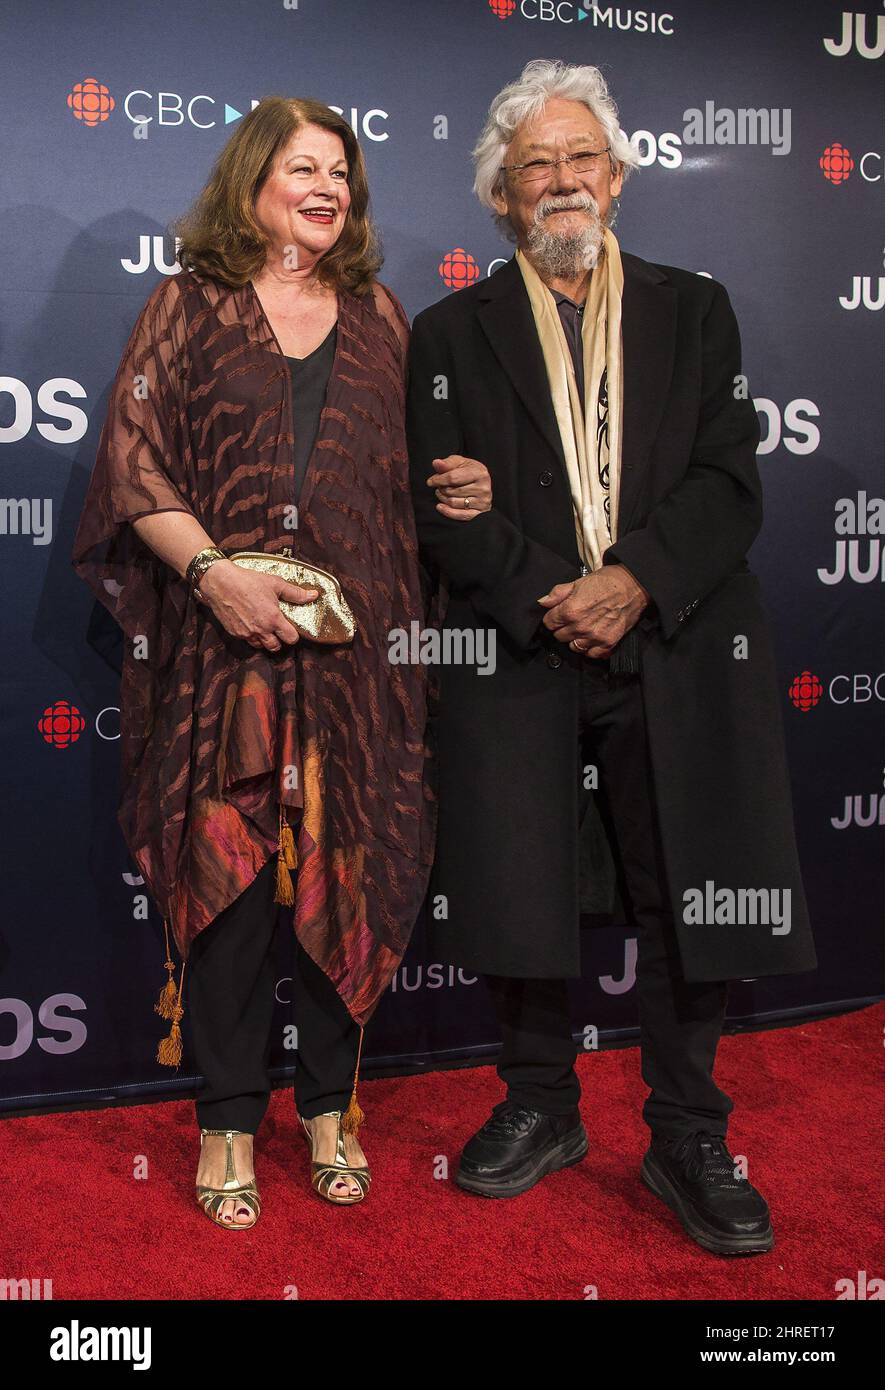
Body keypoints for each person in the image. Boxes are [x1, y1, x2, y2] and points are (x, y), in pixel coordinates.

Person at [405, 59, 816, 1255]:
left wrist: (633, 579)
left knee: (692, 884)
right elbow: (446, 511)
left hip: (679, 641)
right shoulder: (447, 334)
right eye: (536, 162)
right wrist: (556, 594)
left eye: (583, 157)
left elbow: (729, 483)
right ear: (499, 195)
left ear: (621, 177)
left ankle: (689, 1129)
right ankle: (539, 1102)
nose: (563, 179)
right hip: (522, 650)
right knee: (516, 880)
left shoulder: (699, 309)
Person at [72, 96, 435, 1228]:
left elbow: (405, 484)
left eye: (342, 171)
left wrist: (459, 487)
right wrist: (214, 578)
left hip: (351, 668)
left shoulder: (381, 315)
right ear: (252, 180)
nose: (327, 187)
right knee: (225, 883)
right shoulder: (185, 306)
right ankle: (229, 1119)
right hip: (220, 654)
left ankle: (331, 1107)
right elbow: (133, 472)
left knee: (349, 867)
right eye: (303, 167)